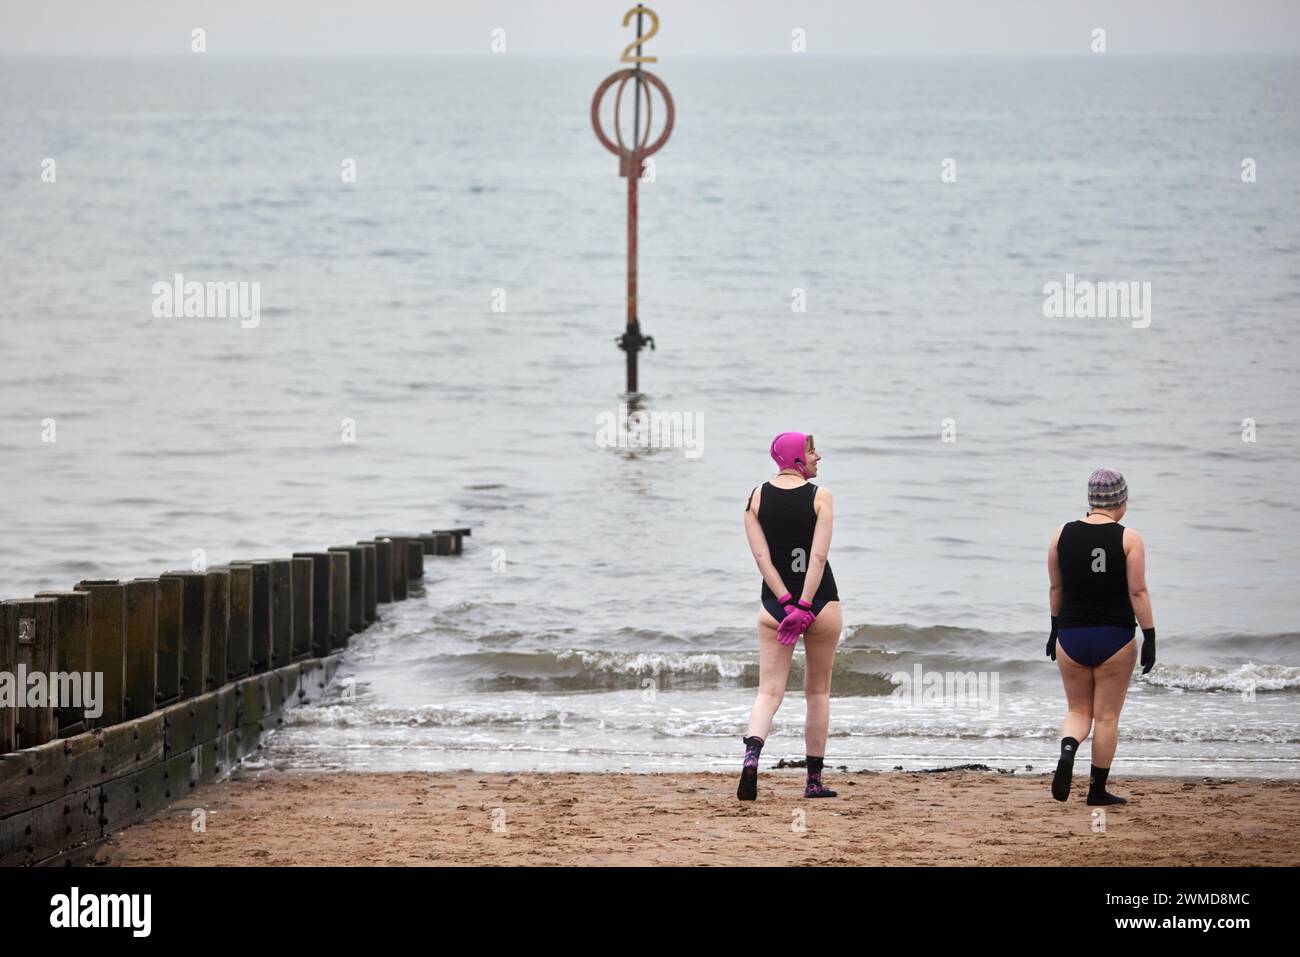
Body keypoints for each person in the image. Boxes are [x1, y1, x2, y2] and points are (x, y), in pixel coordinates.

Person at [737, 432, 842, 801]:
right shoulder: (820, 498)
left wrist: (785, 600)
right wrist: (804, 604)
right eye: (813, 451)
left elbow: (762, 559)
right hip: (821, 604)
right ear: (798, 458)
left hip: (773, 607)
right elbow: (817, 557)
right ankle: (813, 782)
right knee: (817, 692)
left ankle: (751, 759)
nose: (819, 457)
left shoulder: (756, 497)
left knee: (768, 692)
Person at [1045, 467, 1156, 805]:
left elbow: (1056, 587)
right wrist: (1150, 635)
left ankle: (1068, 751)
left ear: (1090, 500)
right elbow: (1137, 593)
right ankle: (1096, 791)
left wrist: (1054, 630)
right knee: (1106, 717)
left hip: (1071, 635)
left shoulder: (1060, 534)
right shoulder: (1129, 538)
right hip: (1115, 639)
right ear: (1120, 500)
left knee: (1078, 711)